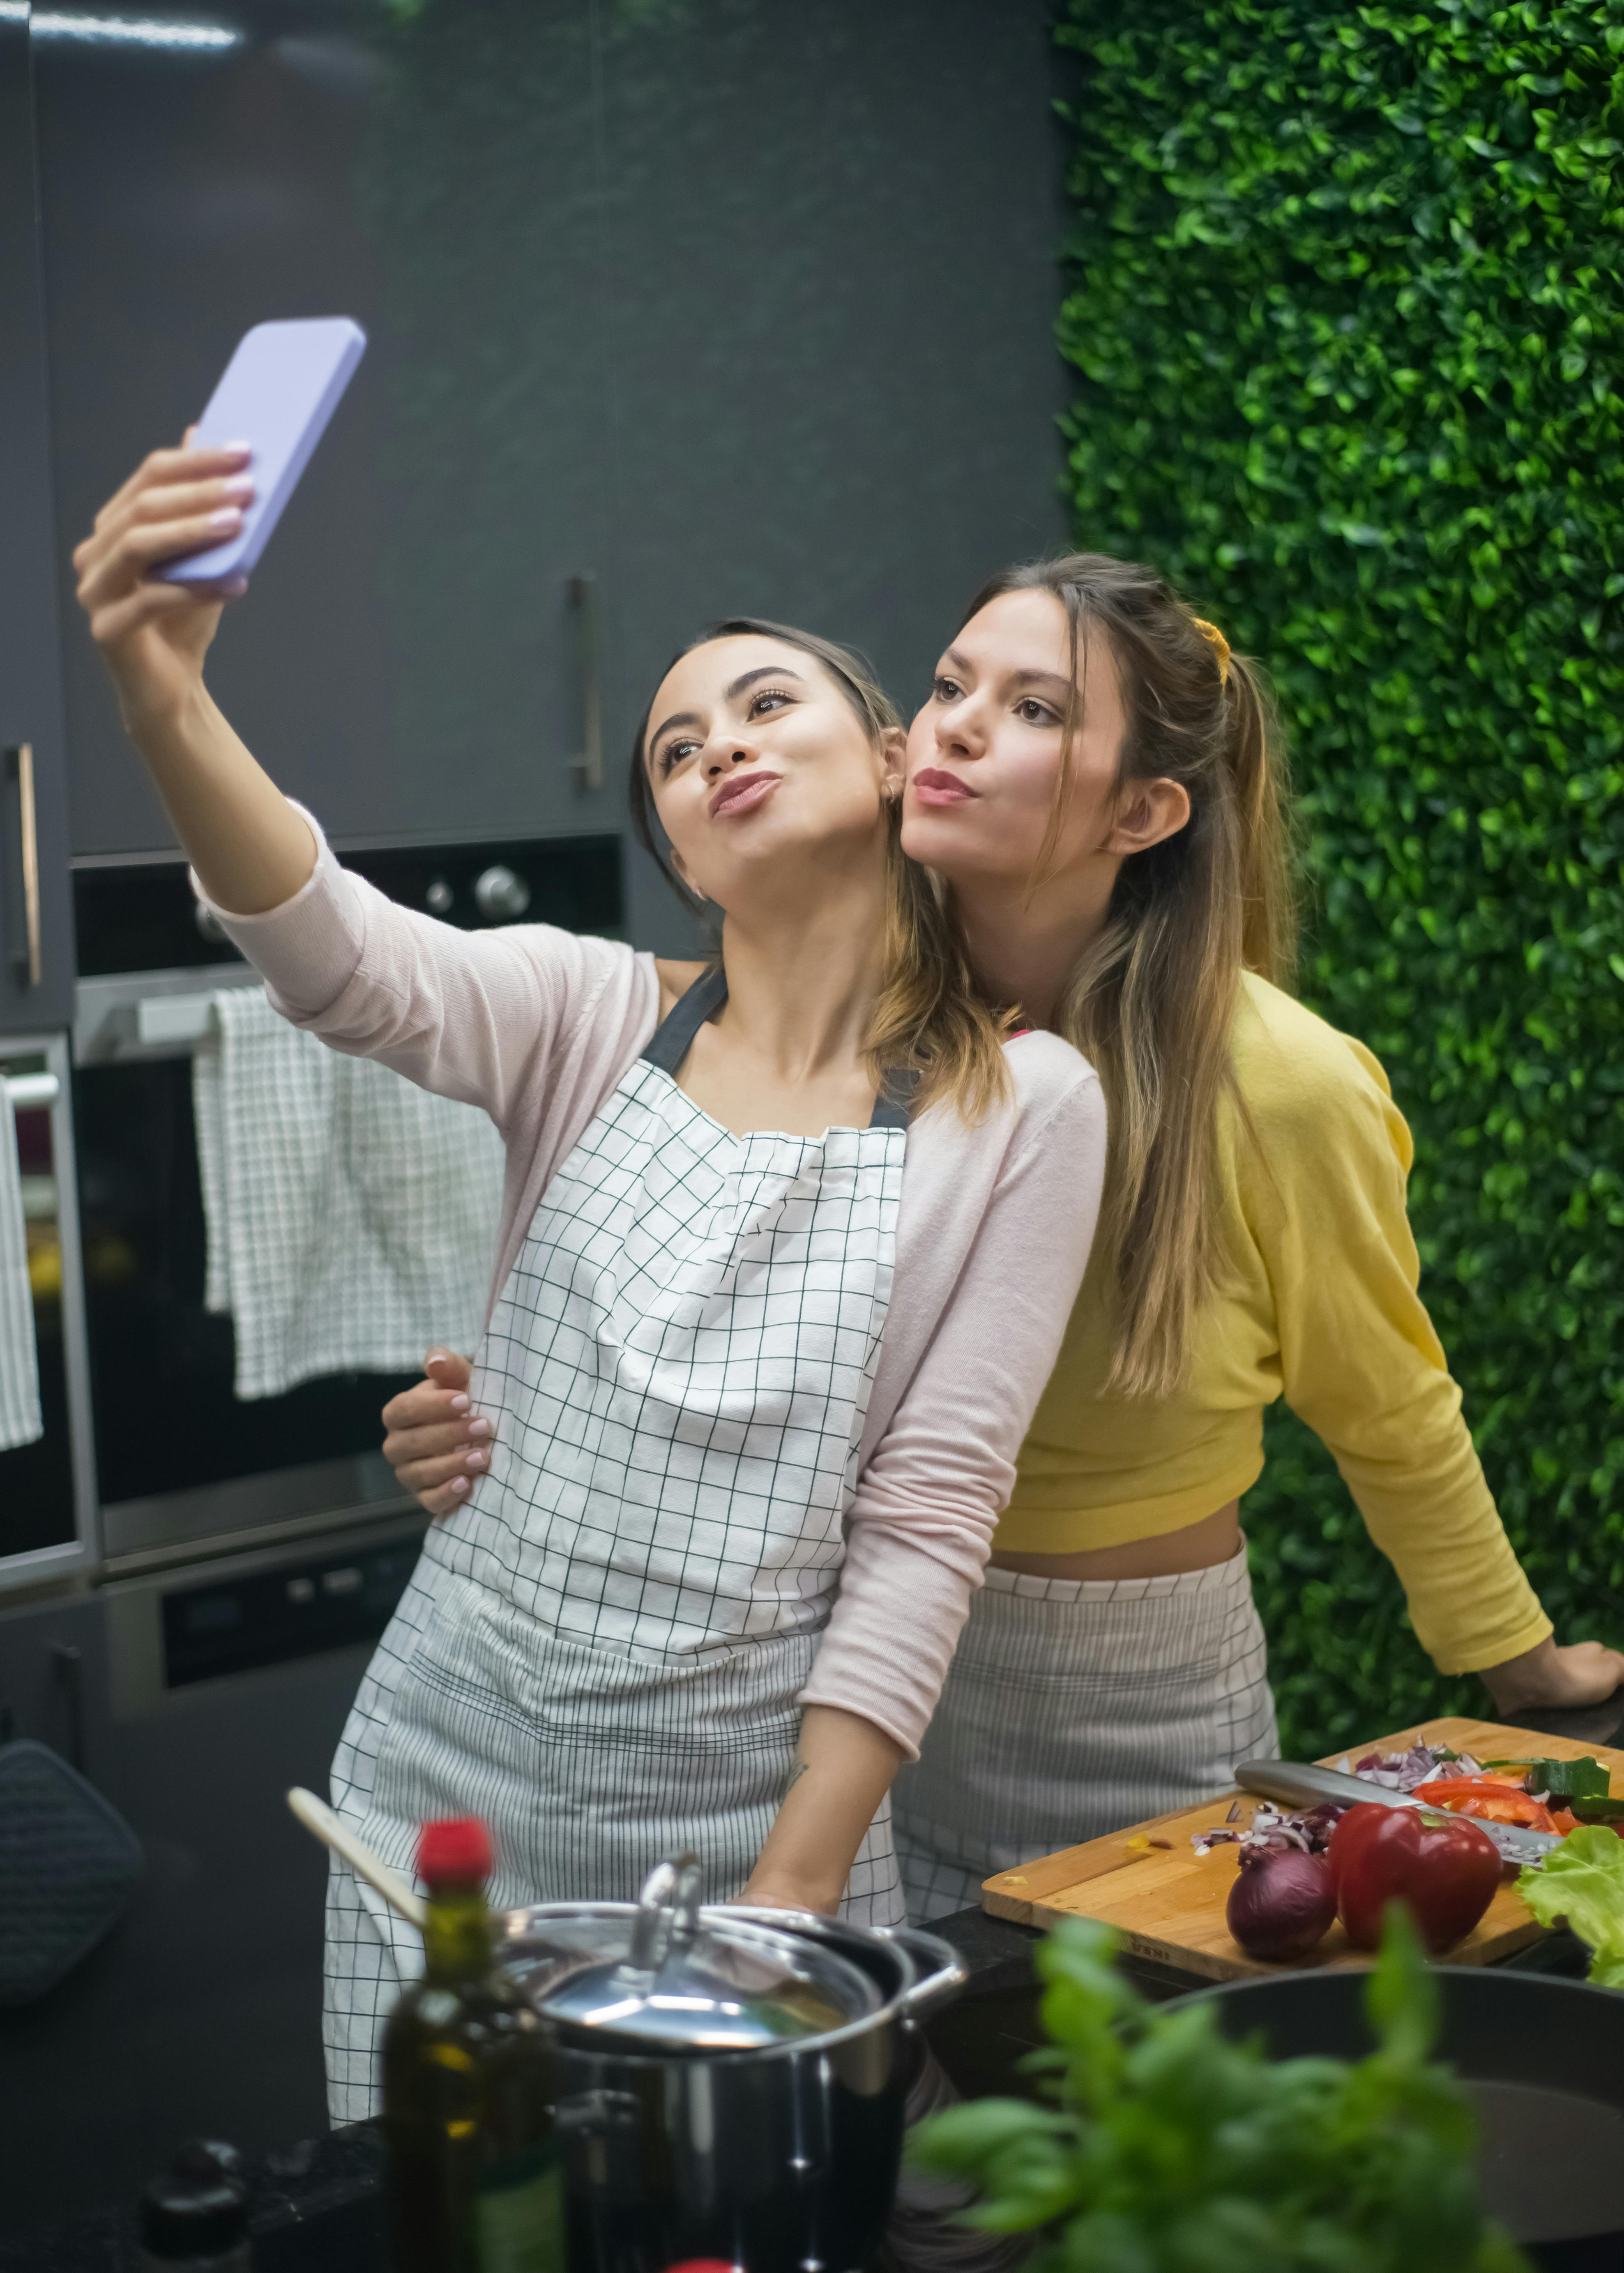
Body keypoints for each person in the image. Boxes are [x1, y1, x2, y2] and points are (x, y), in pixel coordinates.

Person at [71, 440, 1106, 2116]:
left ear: (897, 757)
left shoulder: (1026, 1105)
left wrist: (793, 1893)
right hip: (448, 1801)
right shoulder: (577, 1012)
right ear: (687, 858)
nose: (721, 751)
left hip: (749, 1826)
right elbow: (334, 954)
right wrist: (158, 698)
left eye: (765, 706)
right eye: (679, 754)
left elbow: (926, 1522)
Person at [385, 550, 1624, 1922]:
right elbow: (653, 1273)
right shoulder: (829, 1030)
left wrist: (1521, 1666)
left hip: (1132, 1710)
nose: (955, 725)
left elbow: (1389, 1405)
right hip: (854, 1693)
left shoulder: (1281, 1084)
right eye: (950, 684)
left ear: (1147, 808)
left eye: (1033, 709)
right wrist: (484, 1420)